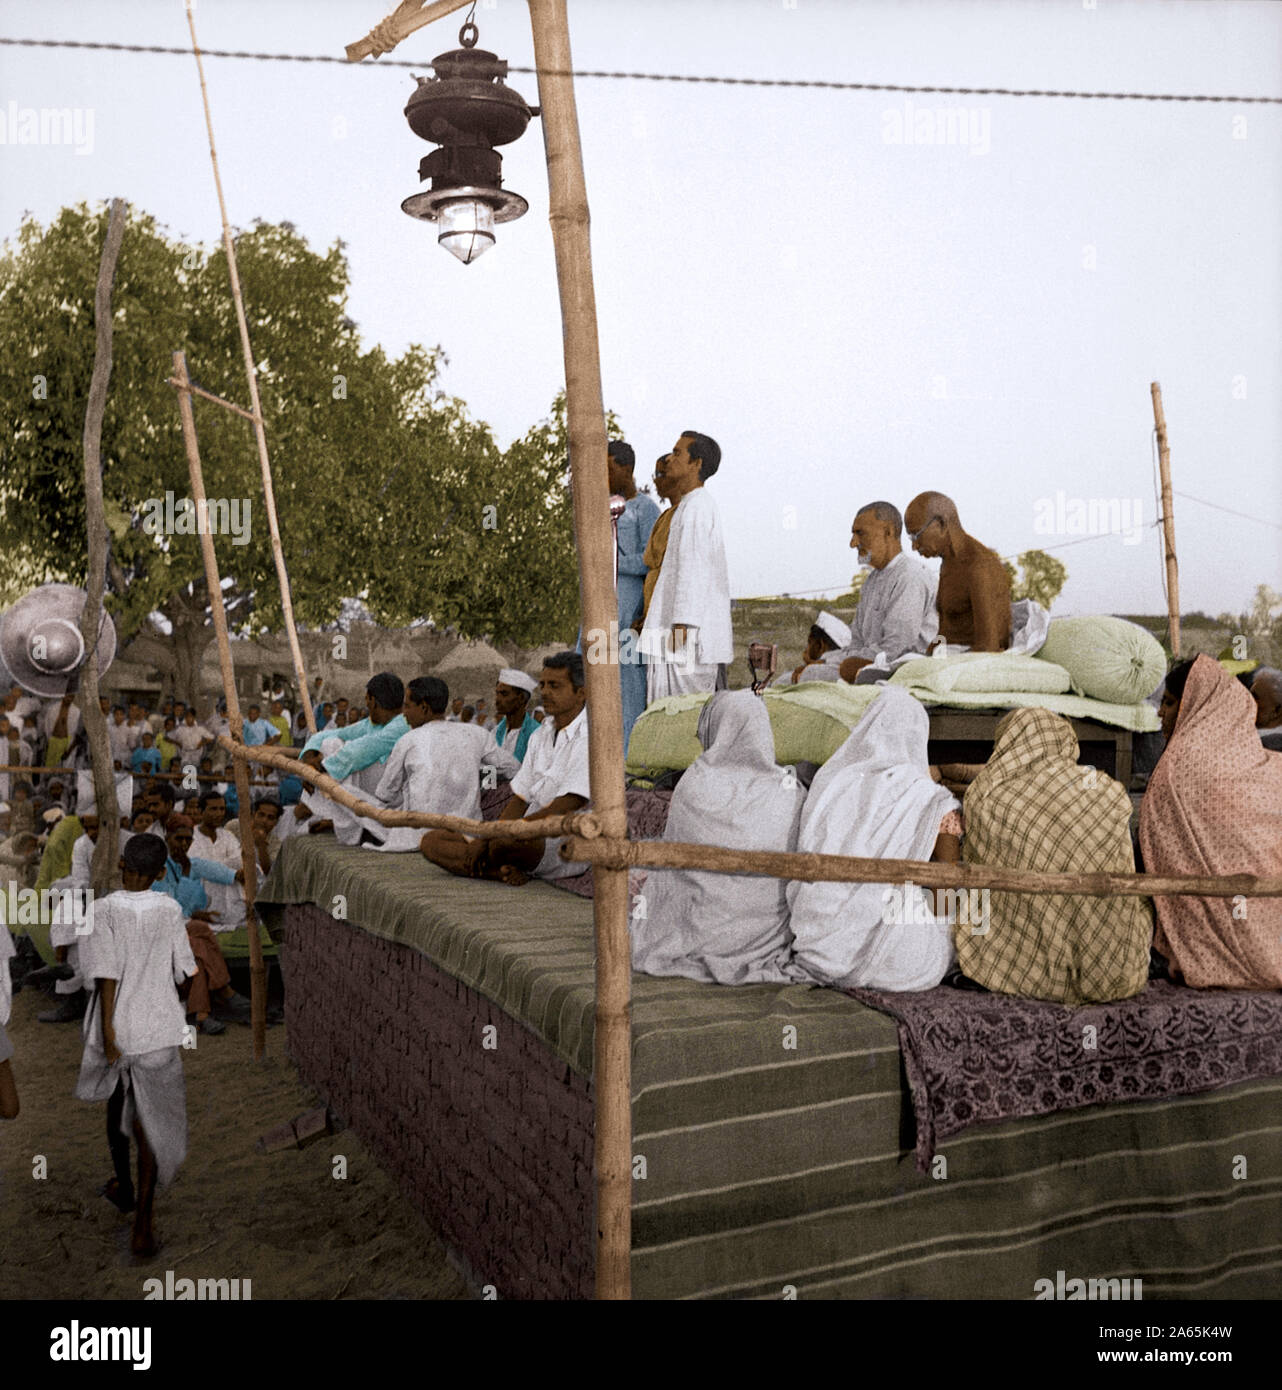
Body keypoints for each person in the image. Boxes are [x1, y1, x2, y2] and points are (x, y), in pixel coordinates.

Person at [957, 708, 1151, 1003]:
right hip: (1112, 966)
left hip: (1020, 958)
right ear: (1065, 742)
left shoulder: (987, 797)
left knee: (976, 901)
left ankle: (1027, 961)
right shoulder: (1105, 790)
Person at [787, 688, 962, 991]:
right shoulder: (930, 798)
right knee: (966, 905)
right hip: (901, 964)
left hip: (819, 947)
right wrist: (948, 930)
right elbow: (944, 889)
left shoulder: (830, 782)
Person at [74, 832, 196, 1256]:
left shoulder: (104, 909)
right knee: (149, 1122)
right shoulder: (170, 907)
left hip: (120, 1026)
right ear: (162, 874)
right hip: (158, 1028)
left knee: (118, 1107)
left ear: (121, 864)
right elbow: (185, 972)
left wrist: (109, 1032)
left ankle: (124, 1188)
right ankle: (144, 1222)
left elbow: (104, 975)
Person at [631, 691, 806, 983]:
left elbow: (673, 876)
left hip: (697, 928)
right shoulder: (789, 789)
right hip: (763, 937)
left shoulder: (695, 782)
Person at [1140, 655, 1282, 990]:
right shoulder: (1263, 766)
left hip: (1205, 941)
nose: (1160, 713)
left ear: (1196, 703)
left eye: (1170, 703)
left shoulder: (1174, 770)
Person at [422, 652, 589, 885]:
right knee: (430, 841)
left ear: (581, 693)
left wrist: (499, 835)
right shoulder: (533, 734)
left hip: (563, 836)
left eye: (555, 686)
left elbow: (567, 804)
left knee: (502, 843)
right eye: (542, 684)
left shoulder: (590, 738)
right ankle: (499, 872)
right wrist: (493, 830)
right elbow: (518, 797)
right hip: (520, 828)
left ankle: (496, 862)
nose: (545, 692)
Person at [366, 677, 518, 851]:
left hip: (419, 837)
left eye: (407, 706)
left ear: (424, 707)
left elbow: (385, 794)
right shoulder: (476, 733)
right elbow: (512, 768)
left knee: (359, 802)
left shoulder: (408, 740)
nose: (404, 714)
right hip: (467, 834)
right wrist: (479, 777)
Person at [639, 431, 733, 700]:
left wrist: (680, 629)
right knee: (665, 716)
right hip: (675, 634)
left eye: (677, 453)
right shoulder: (688, 506)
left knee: (679, 718)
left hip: (684, 638)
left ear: (697, 464)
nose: (669, 459)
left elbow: (694, 571)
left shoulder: (698, 508)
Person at [818, 502, 938, 681]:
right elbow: (856, 644)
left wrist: (832, 663)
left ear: (888, 532)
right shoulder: (871, 582)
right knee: (801, 675)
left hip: (901, 675)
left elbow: (896, 649)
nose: (853, 543)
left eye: (860, 533)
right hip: (870, 669)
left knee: (807, 677)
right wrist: (827, 661)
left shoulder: (910, 576)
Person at [152, 815, 250, 1034]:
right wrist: (195, 915)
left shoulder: (192, 864)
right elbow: (165, 907)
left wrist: (240, 875)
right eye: (179, 839)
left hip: (185, 928)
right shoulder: (160, 868)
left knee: (197, 955)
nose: (184, 845)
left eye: (188, 840)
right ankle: (224, 989)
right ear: (168, 837)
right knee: (201, 931)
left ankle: (202, 1014)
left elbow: (221, 872)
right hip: (162, 928)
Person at [294, 673, 410, 845]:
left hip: (397, 798)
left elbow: (364, 749)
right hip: (373, 793)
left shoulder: (403, 724)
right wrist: (310, 753)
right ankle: (343, 821)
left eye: (367, 700)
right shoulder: (373, 724)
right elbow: (331, 734)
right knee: (330, 743)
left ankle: (351, 825)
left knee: (341, 754)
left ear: (373, 701)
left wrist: (318, 770)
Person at [604, 440, 661, 747]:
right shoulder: (599, 507)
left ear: (627, 468)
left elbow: (649, 559)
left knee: (628, 691)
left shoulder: (646, 509)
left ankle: (628, 762)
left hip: (629, 613)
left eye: (609, 467)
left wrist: (610, 561)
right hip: (601, 608)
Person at [903, 491, 1011, 653]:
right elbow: (946, 632)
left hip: (973, 663)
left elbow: (989, 647)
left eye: (916, 535)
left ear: (940, 524)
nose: (914, 546)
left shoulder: (979, 566)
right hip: (949, 657)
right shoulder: (948, 563)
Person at [790, 610, 852, 684]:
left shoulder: (811, 672)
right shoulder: (855, 671)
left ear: (820, 645)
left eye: (809, 643)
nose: (805, 651)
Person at [493, 669, 540, 763]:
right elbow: (489, 772)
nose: (497, 700)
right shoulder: (495, 732)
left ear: (521, 698)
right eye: (497, 693)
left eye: (504, 694)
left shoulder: (537, 734)